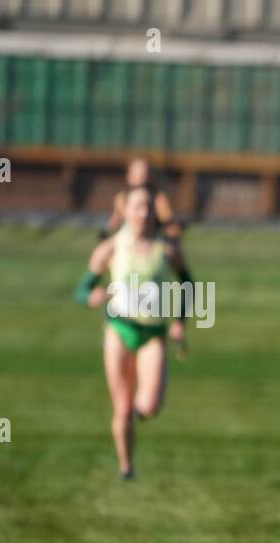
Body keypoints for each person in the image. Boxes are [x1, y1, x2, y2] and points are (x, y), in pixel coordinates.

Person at [76, 184, 193, 480]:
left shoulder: (166, 248)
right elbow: (82, 289)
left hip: (153, 332)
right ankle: (126, 467)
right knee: (122, 407)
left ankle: (138, 417)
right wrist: (90, 297)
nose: (145, 212)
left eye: (149, 207)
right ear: (125, 211)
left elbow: (189, 283)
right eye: (138, 206)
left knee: (150, 405)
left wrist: (180, 321)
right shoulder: (111, 247)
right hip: (120, 329)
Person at [107, 157, 178, 240]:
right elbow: (114, 225)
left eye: (145, 175)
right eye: (139, 176)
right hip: (129, 241)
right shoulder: (121, 198)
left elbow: (172, 228)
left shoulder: (158, 199)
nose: (143, 181)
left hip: (151, 241)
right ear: (129, 177)